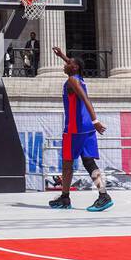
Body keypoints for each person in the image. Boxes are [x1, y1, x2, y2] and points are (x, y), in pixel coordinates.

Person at [48, 46, 112, 212]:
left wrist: (96, 120)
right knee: (89, 162)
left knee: (67, 164)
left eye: (68, 63)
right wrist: (62, 55)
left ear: (74, 67)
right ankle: (103, 195)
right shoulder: (78, 78)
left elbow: (85, 100)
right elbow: (73, 65)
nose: (65, 64)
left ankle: (65, 198)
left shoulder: (72, 81)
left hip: (75, 129)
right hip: (87, 128)